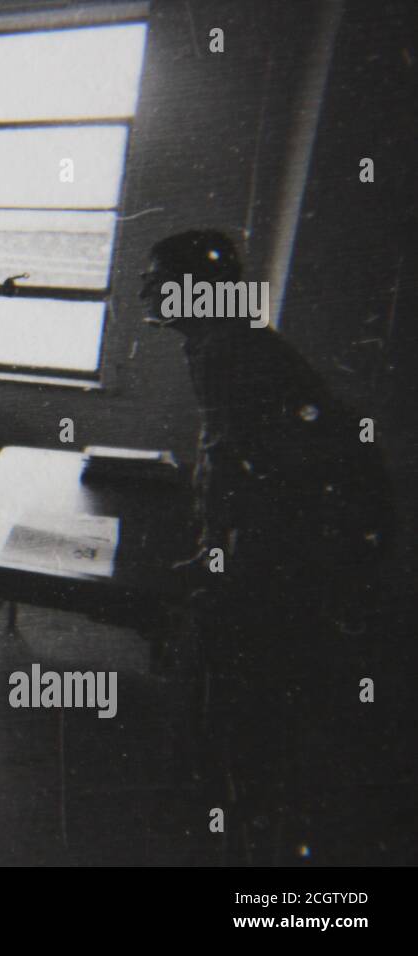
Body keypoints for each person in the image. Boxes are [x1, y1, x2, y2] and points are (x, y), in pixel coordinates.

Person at [141, 229, 392, 863]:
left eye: (158, 276)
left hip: (321, 538)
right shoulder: (225, 339)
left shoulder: (227, 349)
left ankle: (247, 834)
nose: (145, 288)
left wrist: (219, 556)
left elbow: (246, 470)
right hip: (319, 529)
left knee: (253, 686)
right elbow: (228, 459)